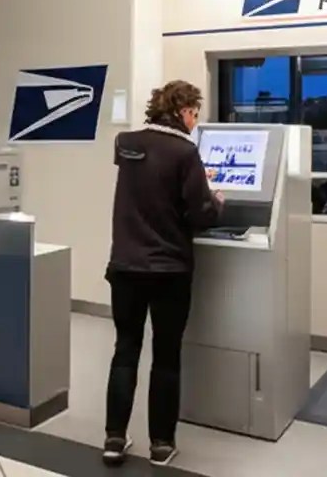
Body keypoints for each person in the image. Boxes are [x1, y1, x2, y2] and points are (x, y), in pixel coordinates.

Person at [102, 80, 224, 467]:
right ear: (184, 111)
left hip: (125, 266)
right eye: (194, 113)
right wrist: (216, 199)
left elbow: (144, 185)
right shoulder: (185, 152)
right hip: (169, 269)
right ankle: (161, 444)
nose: (194, 120)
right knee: (166, 356)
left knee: (125, 350)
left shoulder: (126, 142)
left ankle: (114, 438)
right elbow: (200, 214)